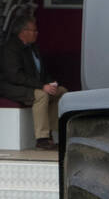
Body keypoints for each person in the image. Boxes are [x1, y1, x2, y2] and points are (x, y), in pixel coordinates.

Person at [0, 13, 68, 148]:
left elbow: (42, 73)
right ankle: (42, 139)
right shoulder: (10, 49)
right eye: (34, 31)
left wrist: (50, 83)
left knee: (61, 92)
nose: (37, 33)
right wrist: (42, 86)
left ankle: (53, 134)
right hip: (11, 87)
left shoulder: (33, 48)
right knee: (41, 95)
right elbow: (15, 76)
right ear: (23, 32)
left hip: (31, 85)